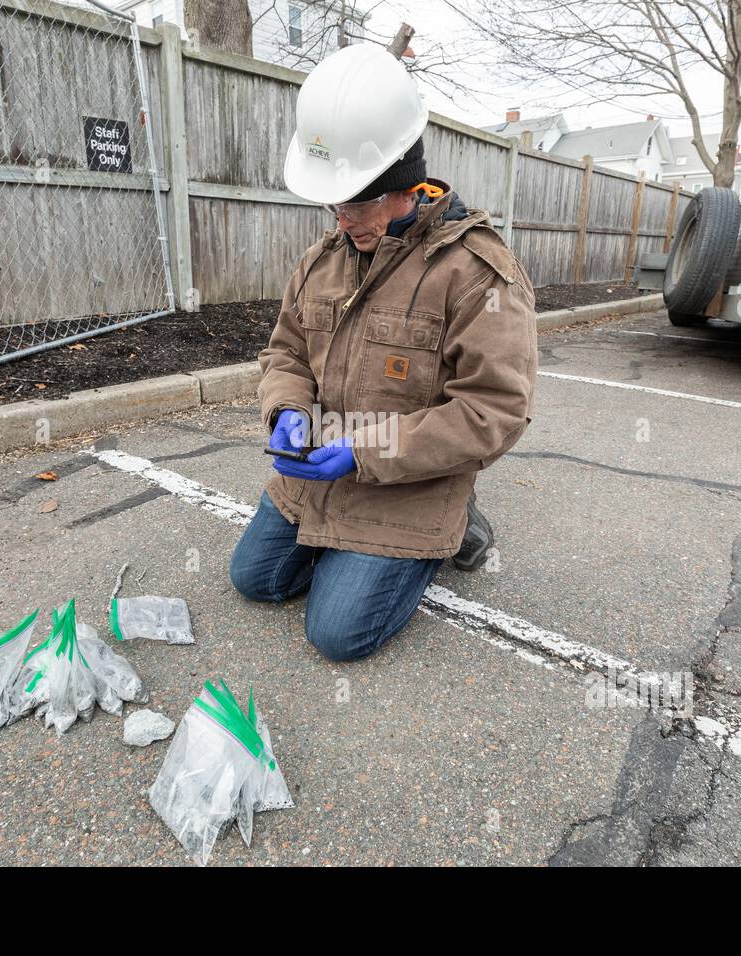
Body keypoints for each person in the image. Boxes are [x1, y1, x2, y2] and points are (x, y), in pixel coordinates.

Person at [228, 42, 537, 662]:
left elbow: (493, 412)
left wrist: (364, 451)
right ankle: (358, 544)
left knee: (337, 635)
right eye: (334, 202)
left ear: (407, 184)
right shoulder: (322, 261)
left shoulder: (476, 273)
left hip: (408, 478)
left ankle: (450, 525)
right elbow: (284, 353)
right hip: (320, 464)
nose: (343, 220)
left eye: (360, 201)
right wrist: (287, 410)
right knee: (255, 580)